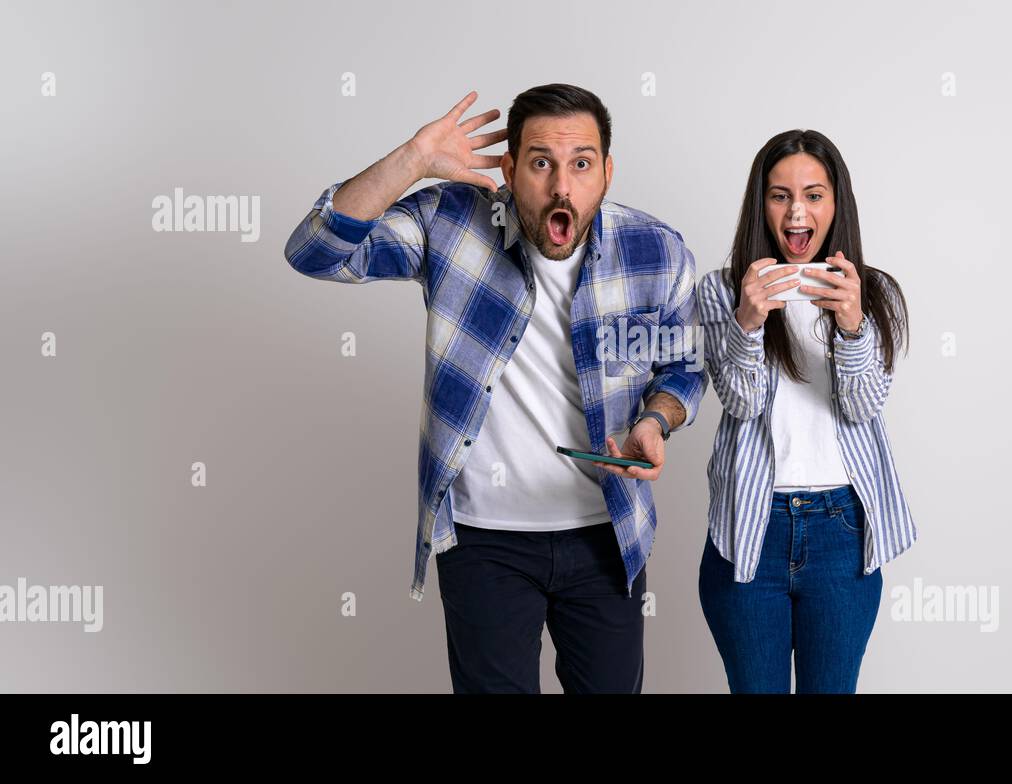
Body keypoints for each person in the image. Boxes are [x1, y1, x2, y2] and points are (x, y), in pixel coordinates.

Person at [283, 84, 705, 693]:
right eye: (541, 163)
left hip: (607, 534)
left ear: (607, 173)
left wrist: (655, 421)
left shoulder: (656, 250)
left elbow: (683, 367)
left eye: (581, 164)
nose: (562, 186)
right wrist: (411, 161)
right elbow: (315, 251)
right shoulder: (451, 222)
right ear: (508, 169)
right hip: (485, 543)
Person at [696, 129, 917, 693]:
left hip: (841, 532)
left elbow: (863, 403)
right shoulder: (722, 293)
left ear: (836, 203)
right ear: (760, 204)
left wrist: (852, 325)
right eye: (780, 195)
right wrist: (747, 323)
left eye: (814, 195)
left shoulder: (874, 294)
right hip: (752, 529)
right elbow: (740, 402)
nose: (797, 211)